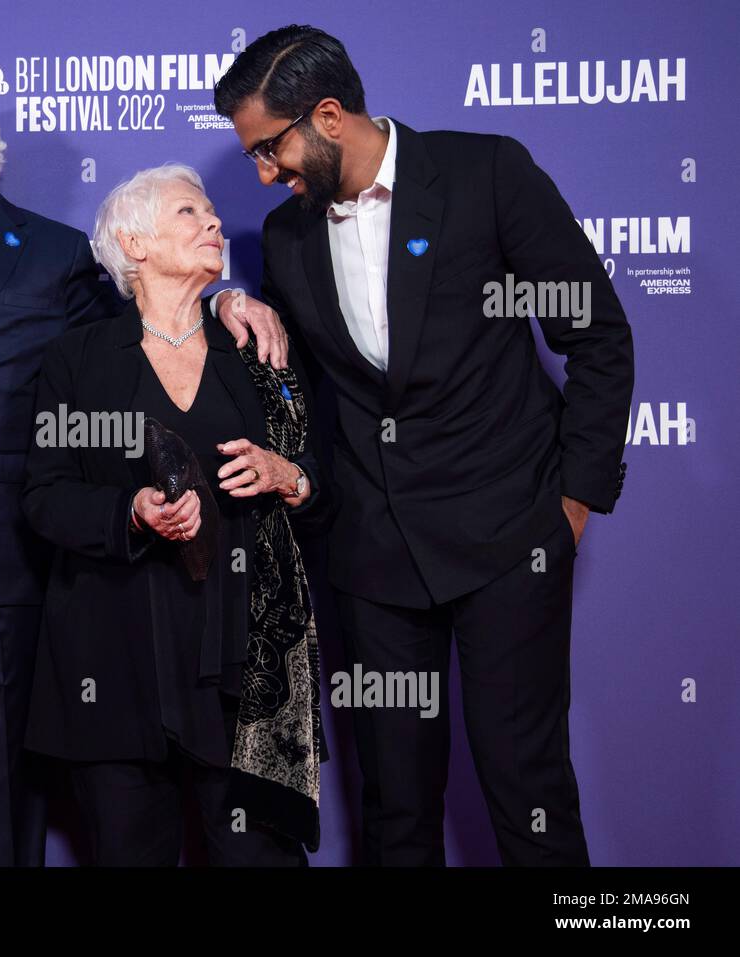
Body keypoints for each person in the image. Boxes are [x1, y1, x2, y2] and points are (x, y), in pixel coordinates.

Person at [0, 64, 289, 866]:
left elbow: (147, 320)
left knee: (5, 805)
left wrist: (220, 299)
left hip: (5, 565)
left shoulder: (53, 253)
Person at [214, 25, 635, 865]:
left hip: (510, 541)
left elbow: (596, 336)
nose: (264, 173)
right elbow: (301, 381)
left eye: (271, 147)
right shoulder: (291, 237)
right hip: (376, 558)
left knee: (529, 789)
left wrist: (573, 503)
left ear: (328, 115)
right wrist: (228, 299)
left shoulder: (485, 174)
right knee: (397, 808)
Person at [22, 164, 331, 866]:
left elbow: (322, 481)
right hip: (115, 658)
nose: (216, 223)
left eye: (214, 213)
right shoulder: (77, 358)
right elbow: (44, 495)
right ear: (133, 243)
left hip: (246, 662)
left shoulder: (260, 347)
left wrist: (290, 476)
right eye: (192, 212)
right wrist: (129, 511)